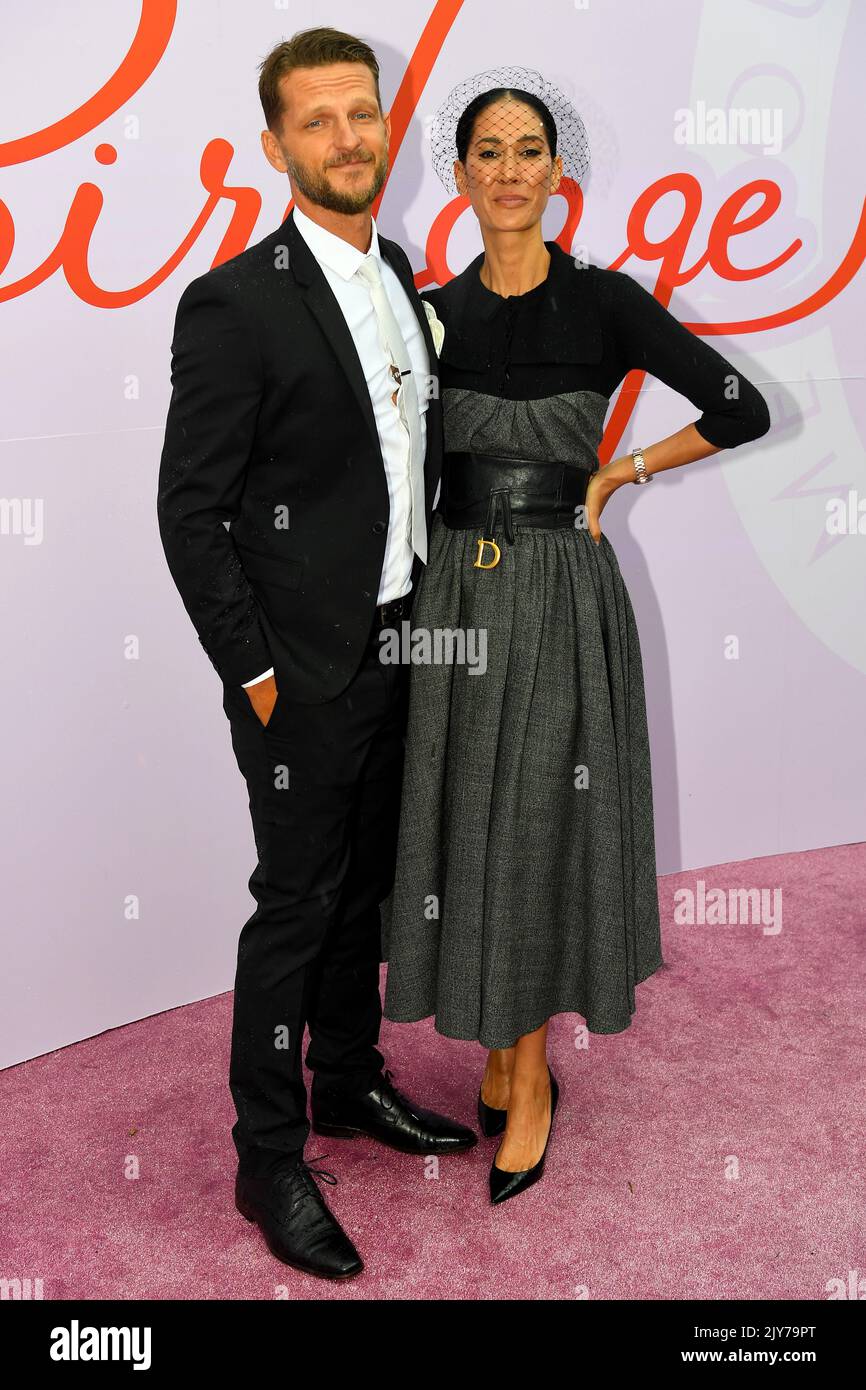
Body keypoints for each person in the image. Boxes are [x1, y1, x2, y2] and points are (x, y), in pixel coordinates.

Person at [380, 67, 771, 1205]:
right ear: (460, 177)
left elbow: (737, 404)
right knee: (465, 816)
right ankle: (497, 1044)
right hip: (452, 593)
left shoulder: (605, 301)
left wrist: (625, 468)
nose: (508, 170)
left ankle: (527, 1070)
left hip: (557, 587)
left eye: (527, 150)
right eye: (486, 152)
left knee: (540, 815)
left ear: (559, 173)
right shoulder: (431, 313)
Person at [156, 27, 477, 1283]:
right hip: (297, 671)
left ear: (385, 127)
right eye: (320, 120)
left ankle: (346, 1083)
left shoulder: (399, 269)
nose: (349, 137)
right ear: (277, 145)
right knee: (293, 909)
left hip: (402, 640)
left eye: (364, 113)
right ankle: (268, 1154)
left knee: (366, 893)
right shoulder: (234, 302)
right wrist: (257, 672)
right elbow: (191, 512)